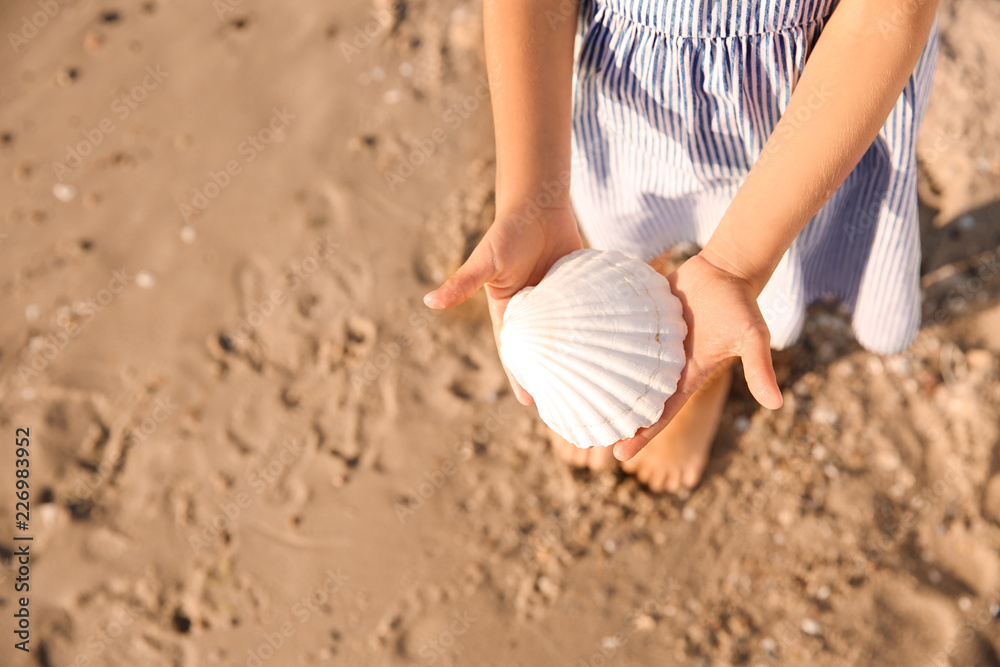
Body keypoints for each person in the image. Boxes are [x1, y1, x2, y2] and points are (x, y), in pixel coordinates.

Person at [423, 0, 940, 493]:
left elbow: (888, 13)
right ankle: (647, 334)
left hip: (814, 99)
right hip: (631, 84)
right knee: (621, 230)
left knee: (778, 257)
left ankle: (702, 359)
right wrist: (529, 195)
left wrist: (737, 267)